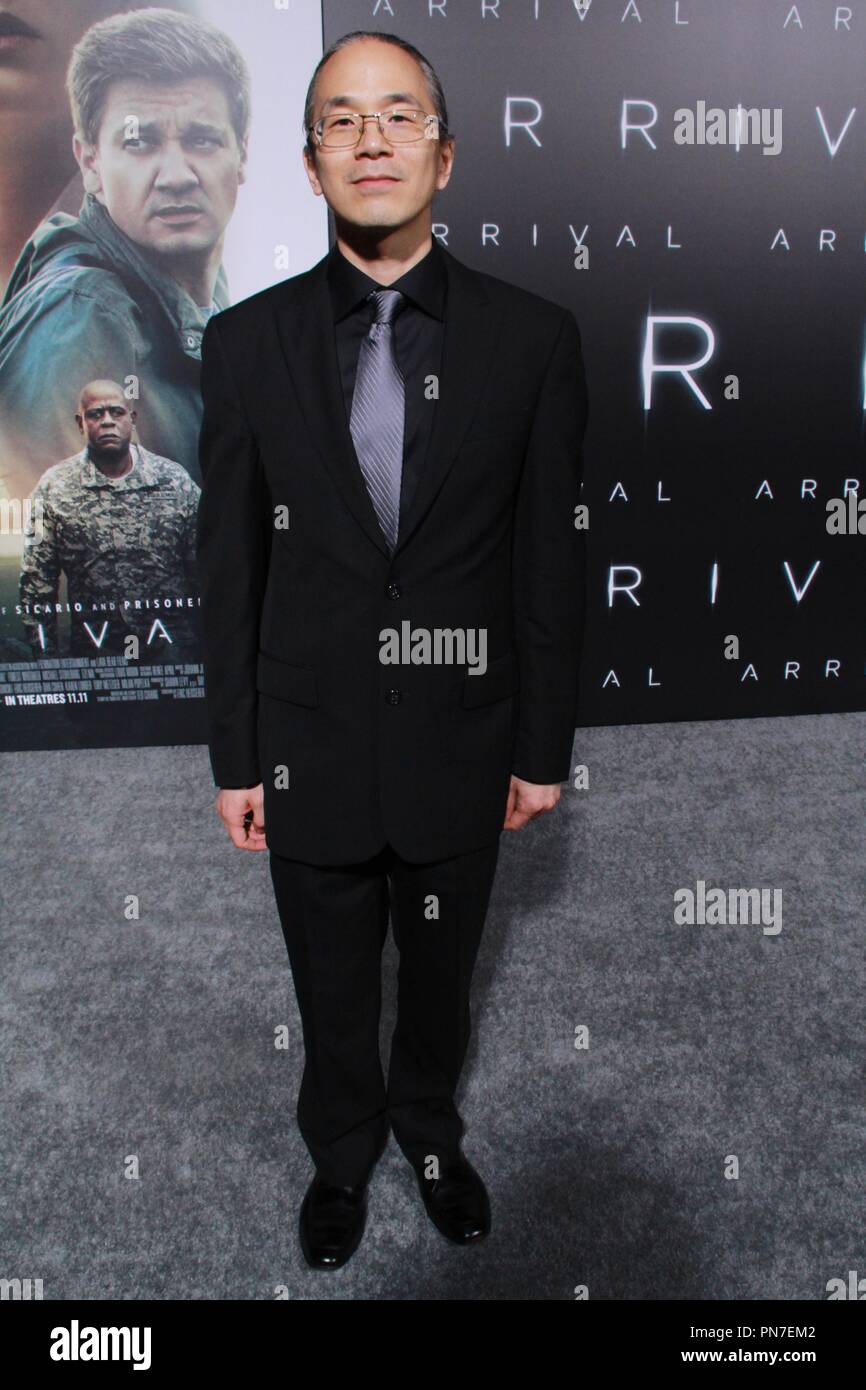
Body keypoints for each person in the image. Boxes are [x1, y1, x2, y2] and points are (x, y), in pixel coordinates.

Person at [196, 29, 589, 1271]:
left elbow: (545, 566)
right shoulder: (245, 344)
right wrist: (235, 753)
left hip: (460, 743)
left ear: (446, 154)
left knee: (435, 973)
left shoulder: (532, 341)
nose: (371, 139)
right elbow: (228, 568)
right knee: (326, 982)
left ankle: (427, 1132)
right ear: (309, 167)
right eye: (340, 120)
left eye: (398, 115)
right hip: (304, 741)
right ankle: (340, 1152)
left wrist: (539, 747)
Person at [0, 6, 249, 504]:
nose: (176, 174)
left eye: (201, 139)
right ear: (90, 162)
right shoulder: (82, 314)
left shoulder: (203, 300)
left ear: (242, 154)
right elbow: (56, 560)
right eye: (140, 143)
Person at [20, 379, 199, 659]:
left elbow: (206, 571)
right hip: (96, 654)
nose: (107, 421)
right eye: (95, 414)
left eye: (117, 412)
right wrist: (47, 662)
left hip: (175, 653)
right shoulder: (55, 488)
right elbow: (36, 585)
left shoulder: (174, 481)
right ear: (80, 423)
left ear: (132, 419)